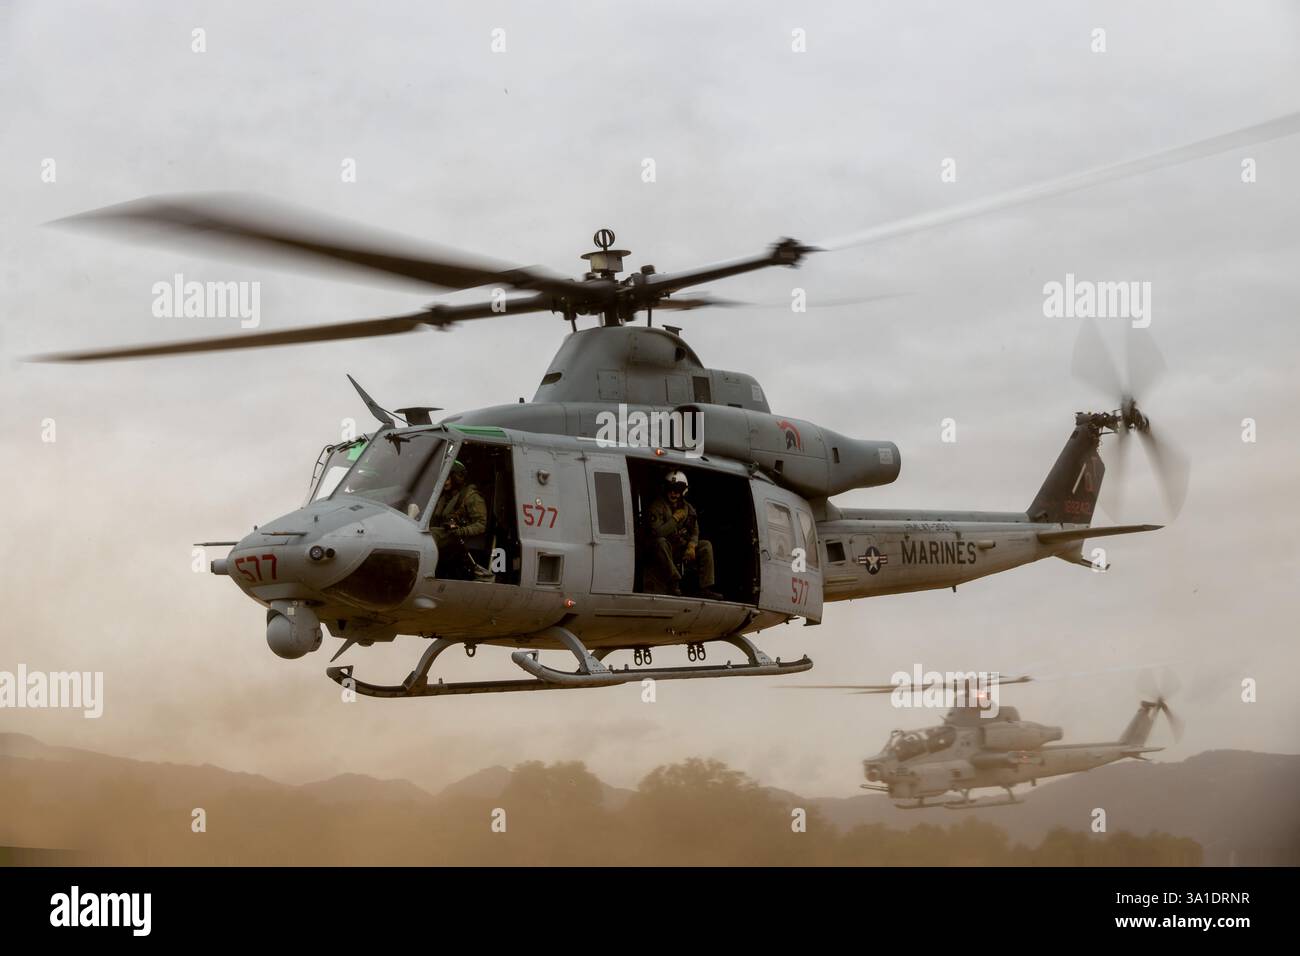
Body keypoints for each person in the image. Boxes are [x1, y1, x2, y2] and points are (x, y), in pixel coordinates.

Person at [642, 470, 721, 599]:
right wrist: (674, 519)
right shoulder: (657, 506)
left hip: (680, 547)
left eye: (677, 490)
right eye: (671, 489)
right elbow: (657, 533)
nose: (674, 493)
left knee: (705, 545)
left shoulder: (688, 508)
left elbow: (695, 531)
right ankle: (674, 580)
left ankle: (705, 587)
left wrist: (691, 545)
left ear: (683, 491)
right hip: (662, 549)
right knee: (660, 542)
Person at [430, 460, 488, 580]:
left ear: (456, 478)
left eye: (447, 478)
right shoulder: (445, 496)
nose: (444, 483)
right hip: (447, 539)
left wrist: (461, 531)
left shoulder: (471, 497)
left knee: (431, 535)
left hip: (460, 542)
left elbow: (481, 524)